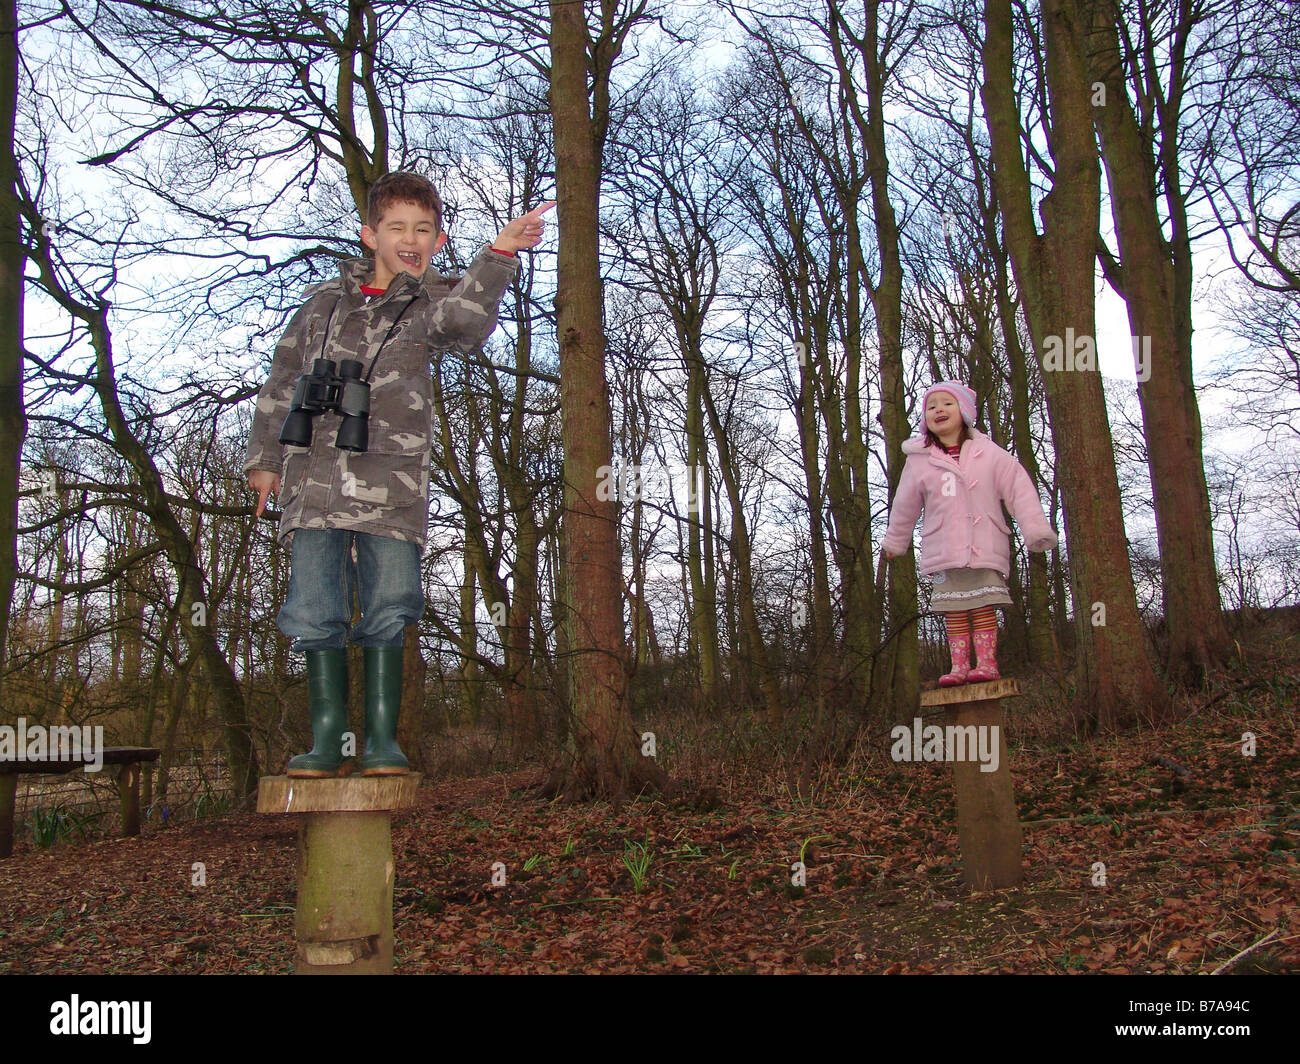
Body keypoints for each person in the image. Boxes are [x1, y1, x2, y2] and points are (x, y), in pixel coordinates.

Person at [244, 171, 554, 776]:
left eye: (423, 229)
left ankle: (382, 739)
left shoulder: (432, 300)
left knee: (390, 602)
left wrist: (500, 254)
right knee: (312, 606)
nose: (410, 239)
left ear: (438, 240)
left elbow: (466, 325)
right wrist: (263, 462)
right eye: (396, 228)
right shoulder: (322, 306)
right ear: (369, 235)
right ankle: (328, 736)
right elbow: (280, 383)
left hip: (393, 486)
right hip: (311, 481)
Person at [880, 381, 1057, 686]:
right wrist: (896, 541)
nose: (939, 410)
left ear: (964, 411)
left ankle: (987, 663)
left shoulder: (991, 454)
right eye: (931, 406)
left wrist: (1036, 530)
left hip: (984, 545)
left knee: (983, 603)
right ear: (925, 419)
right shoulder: (919, 460)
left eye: (947, 403)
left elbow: (1020, 490)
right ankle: (959, 666)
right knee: (954, 608)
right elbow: (904, 504)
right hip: (944, 551)